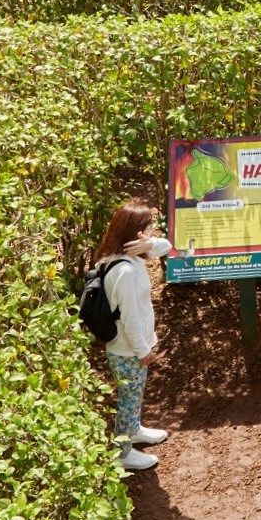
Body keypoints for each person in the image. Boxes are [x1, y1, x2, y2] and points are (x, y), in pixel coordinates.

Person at [94, 201, 172, 471]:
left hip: (130, 348)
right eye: (147, 228)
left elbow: (167, 246)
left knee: (134, 396)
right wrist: (143, 351)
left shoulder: (127, 257)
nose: (151, 231)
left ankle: (134, 430)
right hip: (128, 350)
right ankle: (123, 452)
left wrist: (149, 245)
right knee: (129, 399)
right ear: (134, 232)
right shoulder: (125, 271)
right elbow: (130, 318)